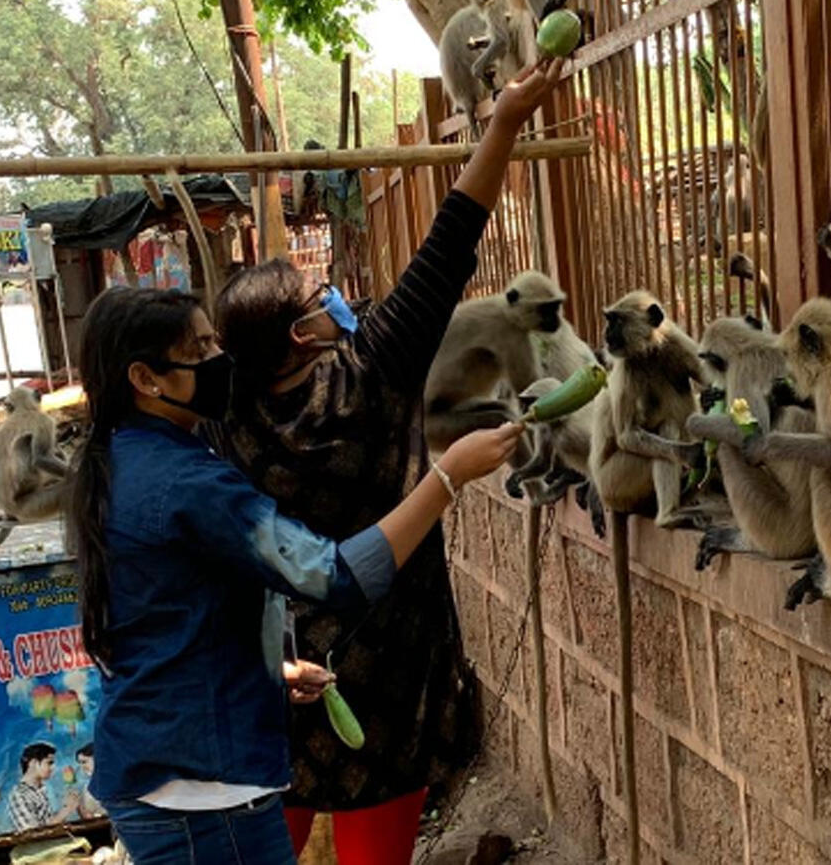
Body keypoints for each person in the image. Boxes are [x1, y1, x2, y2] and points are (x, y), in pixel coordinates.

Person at [209, 58, 565, 864]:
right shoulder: (374, 371)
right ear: (301, 335)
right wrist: (505, 123)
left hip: (278, 682)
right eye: (317, 297)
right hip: (394, 690)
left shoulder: (224, 424)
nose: (332, 295)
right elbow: (453, 237)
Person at [69, 286, 524, 865]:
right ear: (145, 378)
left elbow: (164, 615)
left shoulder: (118, 463)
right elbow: (335, 576)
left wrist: (267, 670)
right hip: (204, 792)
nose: (220, 360)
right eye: (200, 349)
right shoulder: (190, 485)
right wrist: (448, 477)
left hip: (162, 769)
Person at [8, 742, 78, 831]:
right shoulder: (19, 794)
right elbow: (32, 834)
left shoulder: (41, 790)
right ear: (33, 763)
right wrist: (66, 810)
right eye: (49, 763)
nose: (53, 767)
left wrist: (67, 807)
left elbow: (47, 824)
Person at [75, 743, 105, 819]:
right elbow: (87, 816)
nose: (82, 767)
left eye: (84, 762)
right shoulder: (87, 788)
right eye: (80, 763)